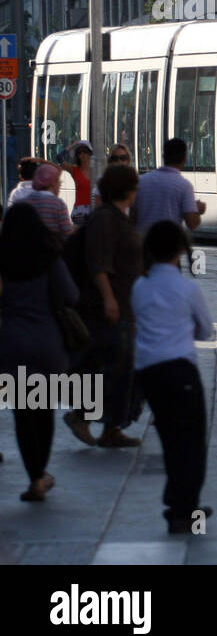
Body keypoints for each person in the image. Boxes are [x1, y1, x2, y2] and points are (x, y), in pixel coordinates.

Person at [132, 220, 215, 534]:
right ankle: (185, 509)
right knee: (190, 441)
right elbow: (206, 330)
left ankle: (177, 505)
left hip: (149, 373)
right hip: (180, 370)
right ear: (181, 248)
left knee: (169, 439)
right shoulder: (186, 287)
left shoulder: (140, 285)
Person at [0, 203, 78, 501]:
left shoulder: (3, 259)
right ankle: (41, 474)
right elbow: (71, 295)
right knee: (43, 413)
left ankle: (34, 476)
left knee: (22, 415)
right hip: (47, 345)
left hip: (11, 344)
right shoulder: (49, 257)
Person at [66, 164, 144, 448]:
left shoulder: (119, 217)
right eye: (134, 186)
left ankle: (111, 426)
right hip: (108, 309)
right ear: (125, 189)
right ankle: (84, 416)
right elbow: (99, 262)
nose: (137, 192)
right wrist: (108, 298)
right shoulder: (105, 219)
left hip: (123, 306)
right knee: (111, 367)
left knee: (120, 368)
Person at [133, 137, 205, 237]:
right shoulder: (184, 186)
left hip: (143, 245)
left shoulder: (142, 181)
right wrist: (198, 210)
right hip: (168, 246)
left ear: (163, 156)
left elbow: (132, 215)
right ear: (184, 159)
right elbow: (192, 223)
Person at [25, 165, 74, 239]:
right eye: (59, 181)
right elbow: (67, 233)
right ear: (53, 183)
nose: (60, 185)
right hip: (51, 248)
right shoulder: (58, 204)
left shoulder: (25, 202)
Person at [59, 141, 95, 226]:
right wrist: (74, 145)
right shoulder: (74, 170)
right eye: (79, 152)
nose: (82, 154)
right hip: (80, 212)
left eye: (85, 151)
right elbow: (59, 157)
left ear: (90, 153)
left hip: (94, 210)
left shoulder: (96, 170)